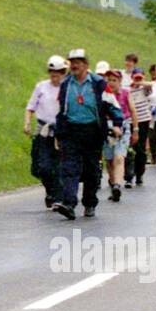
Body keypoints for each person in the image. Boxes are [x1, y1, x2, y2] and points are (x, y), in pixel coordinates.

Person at [53, 49, 122, 220]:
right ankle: (69, 204)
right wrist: (58, 133)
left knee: (91, 170)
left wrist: (117, 124)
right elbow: (60, 110)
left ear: (86, 65)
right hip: (71, 130)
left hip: (92, 131)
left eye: (78, 62)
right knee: (69, 168)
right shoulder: (66, 84)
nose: (74, 65)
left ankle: (90, 202)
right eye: (72, 62)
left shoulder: (98, 83)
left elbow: (112, 105)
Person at [25, 56, 67, 207]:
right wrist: (27, 123)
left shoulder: (67, 87)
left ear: (63, 73)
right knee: (41, 166)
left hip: (61, 131)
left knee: (58, 165)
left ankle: (58, 196)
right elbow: (31, 106)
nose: (54, 76)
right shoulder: (41, 87)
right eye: (52, 73)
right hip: (43, 129)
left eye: (58, 73)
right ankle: (50, 190)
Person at [99, 64, 131, 200]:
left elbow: (132, 111)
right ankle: (113, 184)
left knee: (119, 157)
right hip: (105, 128)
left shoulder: (124, 94)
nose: (111, 83)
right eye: (109, 80)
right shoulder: (102, 95)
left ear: (120, 81)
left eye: (114, 80)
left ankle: (117, 185)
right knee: (110, 160)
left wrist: (135, 129)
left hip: (122, 126)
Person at [124, 67, 153, 187]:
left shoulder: (145, 89)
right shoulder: (127, 89)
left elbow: (150, 84)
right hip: (130, 121)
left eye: (140, 76)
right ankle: (128, 176)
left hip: (143, 121)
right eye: (136, 76)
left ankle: (139, 174)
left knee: (140, 149)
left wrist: (139, 82)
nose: (137, 78)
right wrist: (133, 83)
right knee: (129, 149)